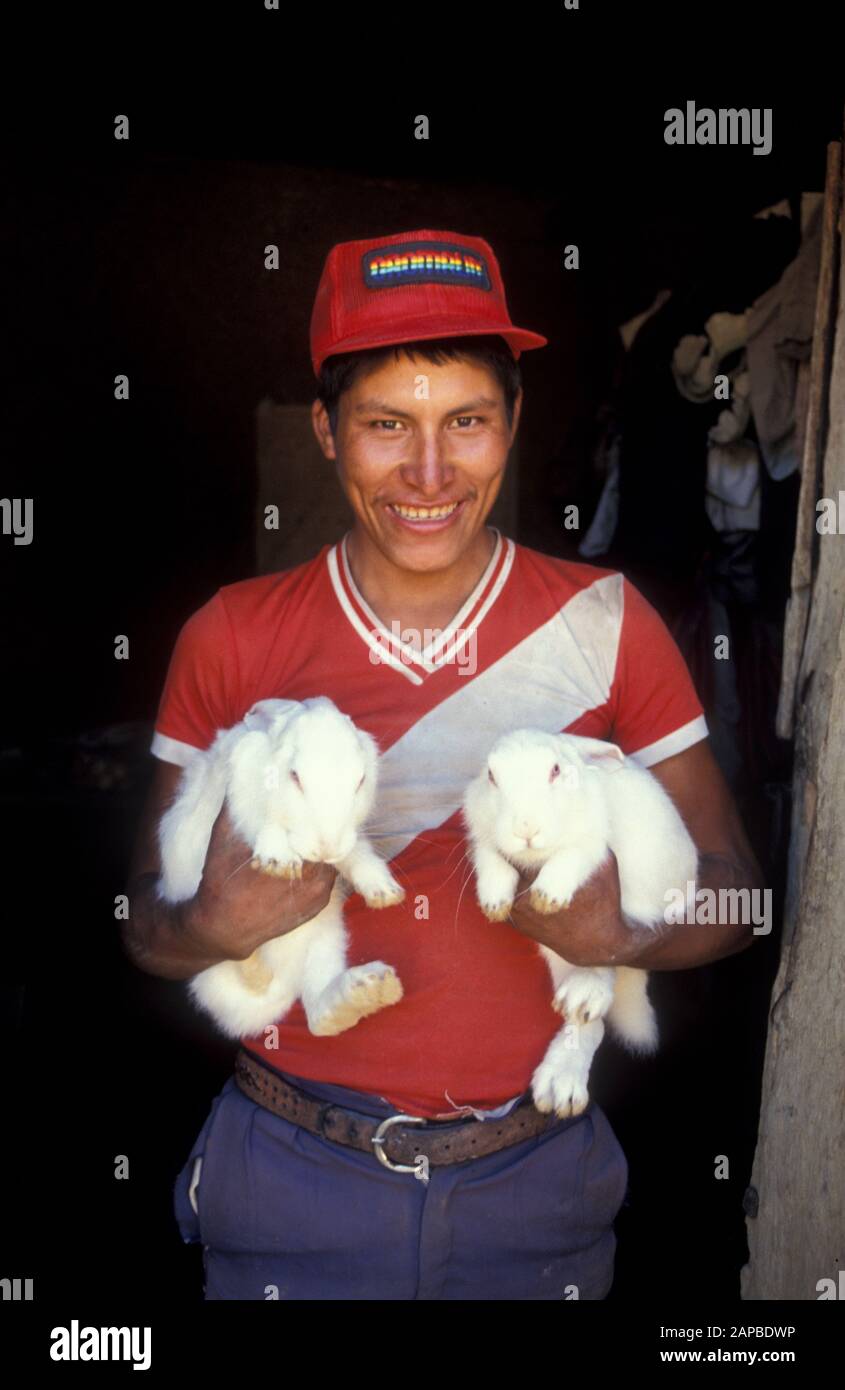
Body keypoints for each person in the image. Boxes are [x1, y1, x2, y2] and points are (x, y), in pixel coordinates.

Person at [123, 227, 763, 1301]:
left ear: (511, 424)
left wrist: (623, 931)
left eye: (464, 421)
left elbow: (742, 891)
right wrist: (203, 925)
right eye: (386, 425)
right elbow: (138, 921)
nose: (428, 472)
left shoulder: (608, 624)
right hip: (288, 1180)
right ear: (326, 433)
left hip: (533, 1194)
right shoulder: (229, 638)